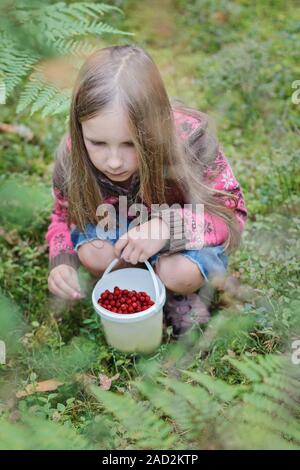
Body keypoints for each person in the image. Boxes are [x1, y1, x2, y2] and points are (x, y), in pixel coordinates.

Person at [45, 44, 247, 337]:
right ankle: (138, 286)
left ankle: (176, 292)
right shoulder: (73, 156)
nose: (113, 161)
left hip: (183, 241)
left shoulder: (191, 144)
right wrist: (61, 261)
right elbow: (62, 216)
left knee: (178, 272)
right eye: (98, 143)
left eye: (130, 144)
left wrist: (167, 228)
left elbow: (229, 215)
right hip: (118, 232)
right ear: (80, 129)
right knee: (95, 252)